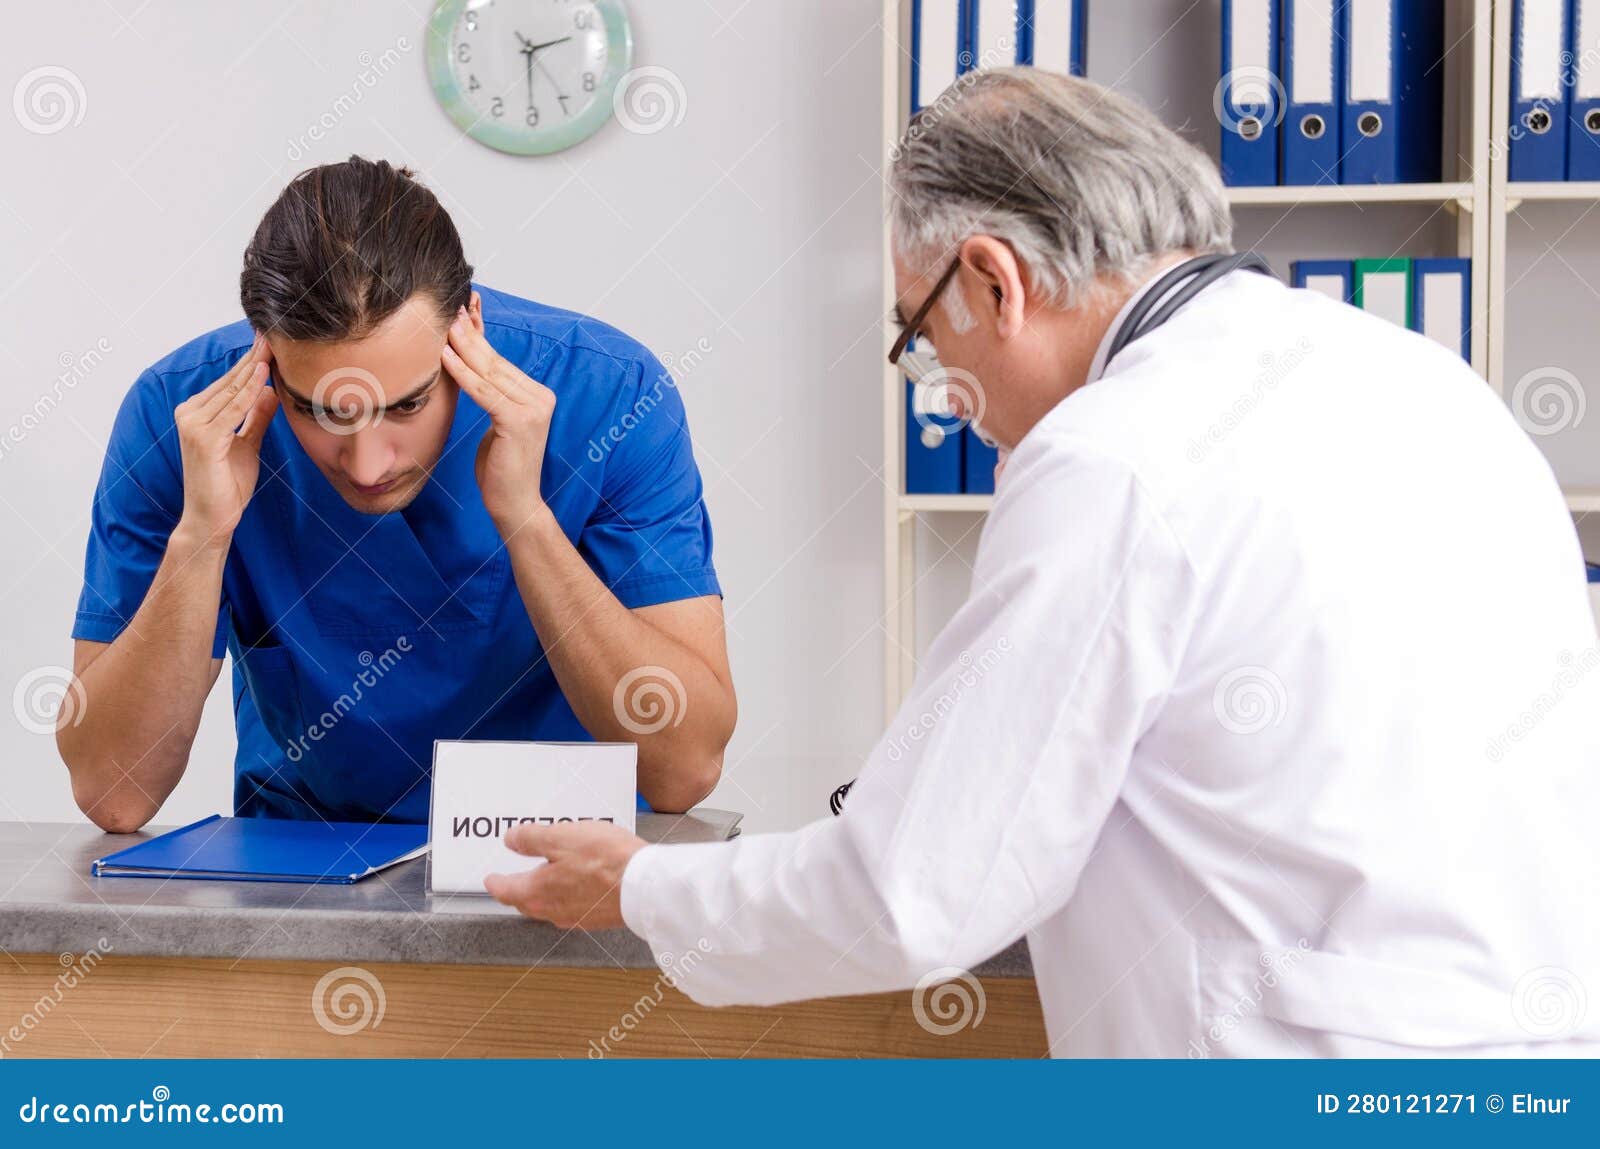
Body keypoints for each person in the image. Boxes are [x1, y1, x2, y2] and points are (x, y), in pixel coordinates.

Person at [481, 69, 1600, 1057]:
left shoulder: (1112, 453)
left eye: (923, 336)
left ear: (993, 280)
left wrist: (638, 885)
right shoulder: (1421, 378)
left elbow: (912, 894)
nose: (948, 393)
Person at [59, 157, 735, 831]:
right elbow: (114, 792)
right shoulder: (178, 421)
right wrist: (201, 536)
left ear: (466, 326)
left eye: (407, 405)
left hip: (568, 859)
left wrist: (525, 518)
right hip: (303, 871)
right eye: (321, 411)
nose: (367, 463)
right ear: (266, 352)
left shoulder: (610, 397)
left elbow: (685, 768)